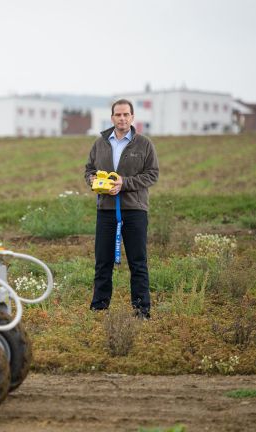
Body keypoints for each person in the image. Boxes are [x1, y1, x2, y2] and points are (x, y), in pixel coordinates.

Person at [84, 99, 159, 318]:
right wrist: (94, 182)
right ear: (112, 118)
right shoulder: (100, 143)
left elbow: (152, 174)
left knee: (137, 262)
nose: (122, 118)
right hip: (106, 210)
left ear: (133, 117)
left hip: (135, 210)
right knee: (102, 262)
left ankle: (141, 309)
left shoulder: (144, 144)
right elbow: (89, 170)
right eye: (118, 115)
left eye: (126, 115)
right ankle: (99, 307)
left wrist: (124, 183)